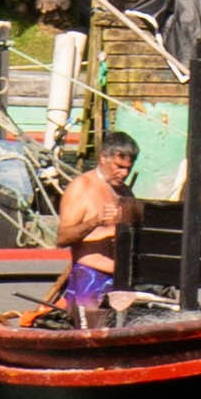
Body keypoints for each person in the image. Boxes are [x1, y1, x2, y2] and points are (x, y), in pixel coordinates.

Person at [49, 134, 140, 318]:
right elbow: (62, 238)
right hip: (90, 278)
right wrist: (95, 221)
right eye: (119, 167)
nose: (124, 174)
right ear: (103, 157)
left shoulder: (125, 191)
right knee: (91, 330)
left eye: (128, 169)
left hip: (121, 280)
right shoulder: (82, 187)